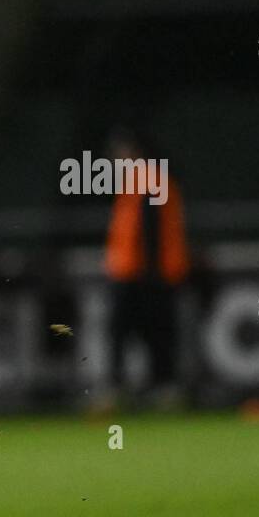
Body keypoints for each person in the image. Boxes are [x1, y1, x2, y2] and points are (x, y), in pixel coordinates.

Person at [103, 126, 190, 403]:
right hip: (145, 271)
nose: (117, 159)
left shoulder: (147, 180)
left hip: (142, 273)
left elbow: (150, 230)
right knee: (152, 333)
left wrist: (150, 274)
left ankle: (145, 389)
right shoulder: (146, 179)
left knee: (142, 332)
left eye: (120, 154)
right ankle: (159, 387)